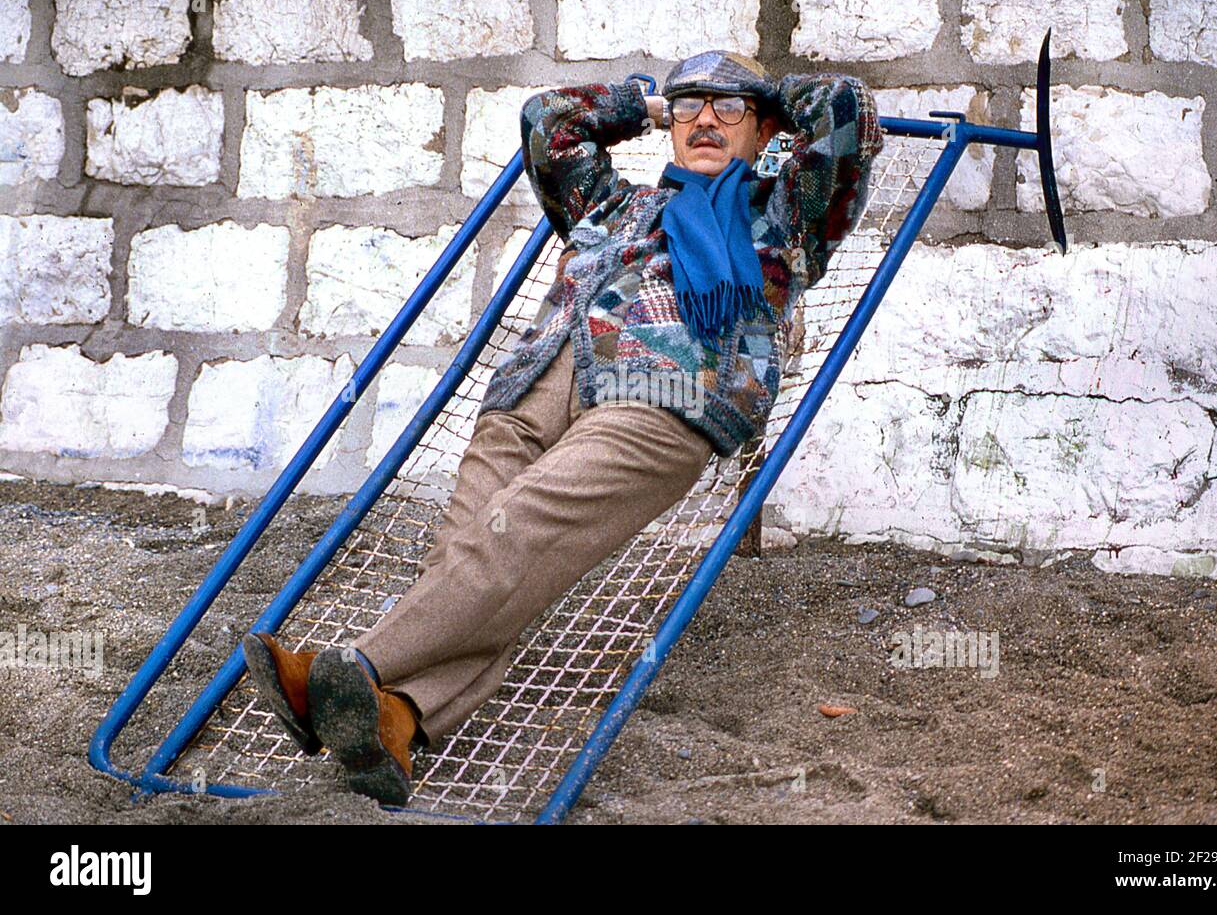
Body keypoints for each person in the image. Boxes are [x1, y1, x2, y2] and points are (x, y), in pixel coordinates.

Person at [242, 50, 884, 807]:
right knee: (466, 557)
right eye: (691, 108)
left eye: (726, 109)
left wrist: (762, 93)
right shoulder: (612, 205)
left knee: (512, 536)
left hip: (663, 400)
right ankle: (399, 723)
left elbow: (845, 107)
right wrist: (648, 102)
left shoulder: (784, 214)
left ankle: (344, 674)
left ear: (765, 126)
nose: (704, 120)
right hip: (531, 387)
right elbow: (548, 121)